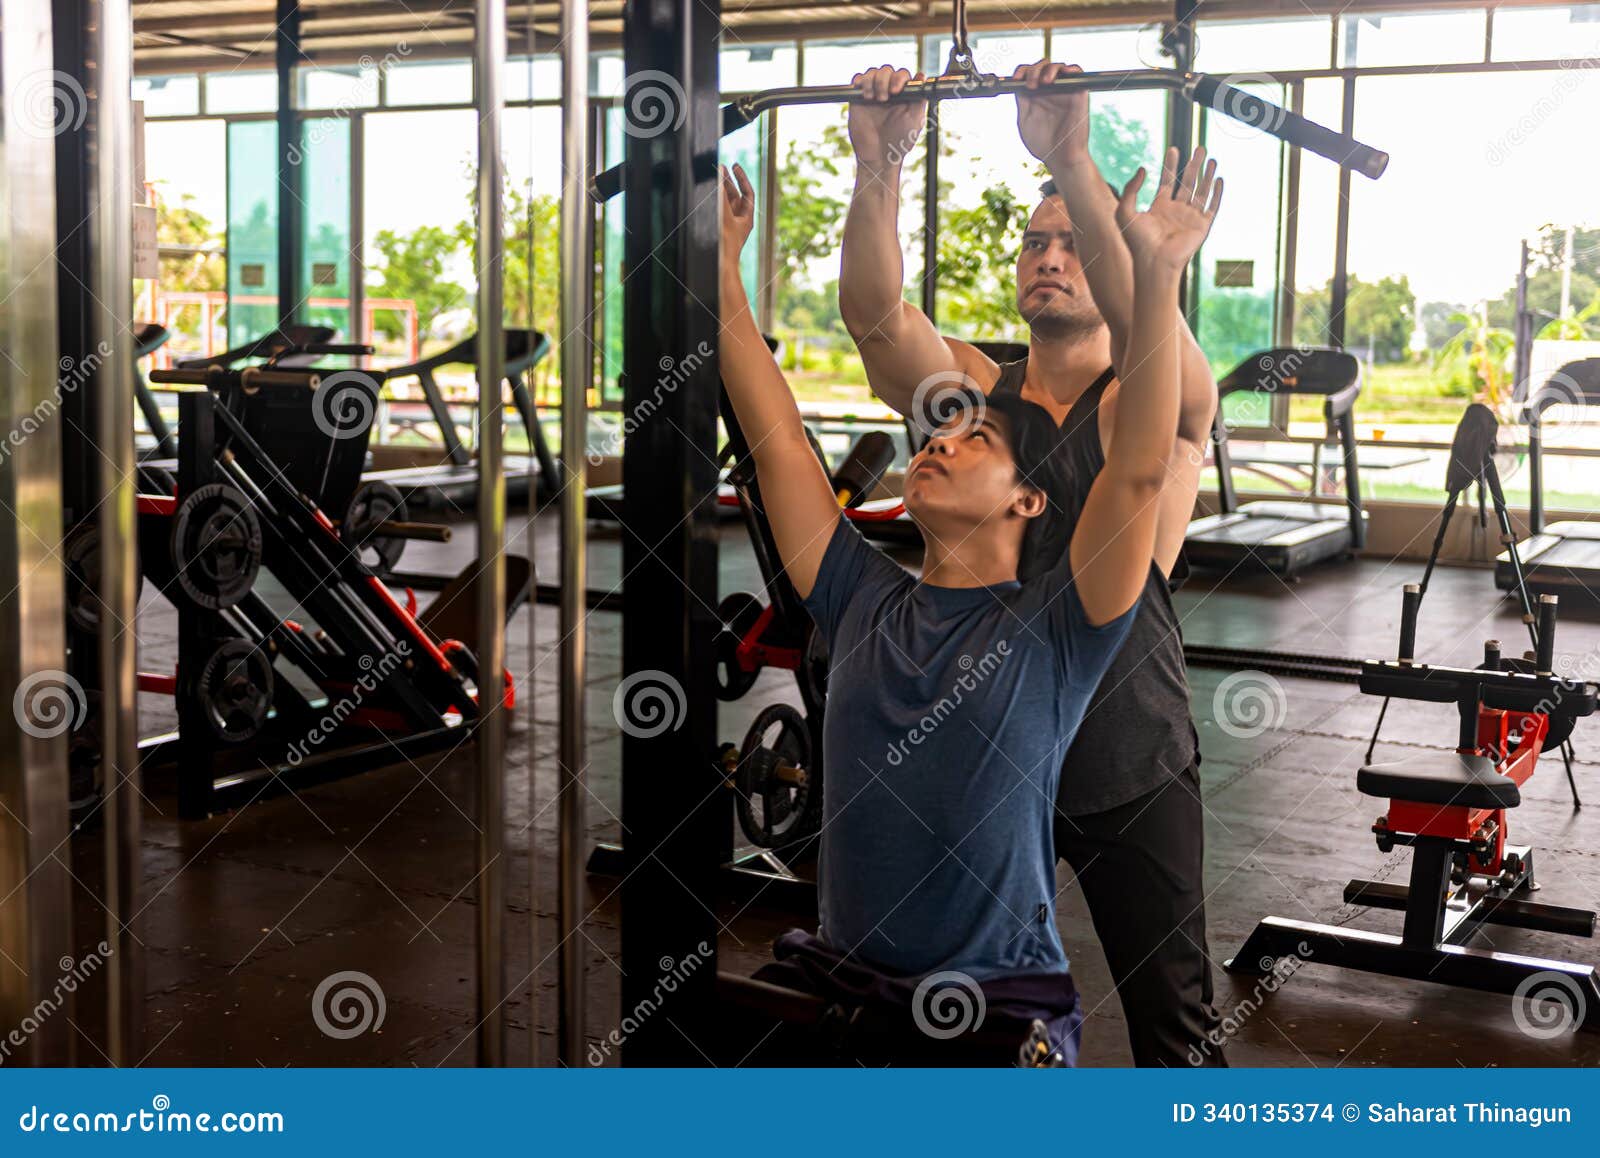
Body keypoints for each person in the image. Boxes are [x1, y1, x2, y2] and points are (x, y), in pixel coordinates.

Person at [717, 140, 1222, 1063]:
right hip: (978, 758)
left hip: (1122, 750)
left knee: (1176, 1031)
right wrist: (876, 162)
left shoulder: (1147, 388)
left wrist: (1084, 168)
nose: (1050, 257)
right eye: (1035, 243)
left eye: (1073, 240)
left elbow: (1150, 444)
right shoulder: (974, 396)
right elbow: (869, 324)